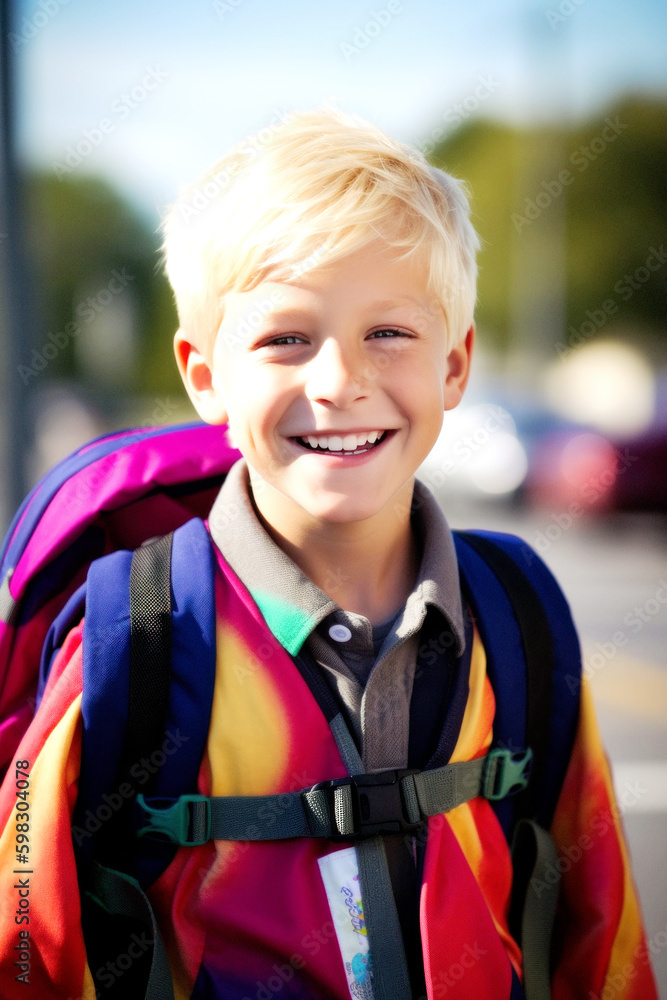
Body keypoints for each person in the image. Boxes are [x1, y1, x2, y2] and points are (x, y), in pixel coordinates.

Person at [0, 108, 657, 1000]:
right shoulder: (136, 634)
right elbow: (27, 951)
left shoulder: (518, 617)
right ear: (204, 377)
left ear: (455, 365)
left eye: (389, 333)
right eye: (285, 339)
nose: (340, 381)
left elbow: (601, 931)